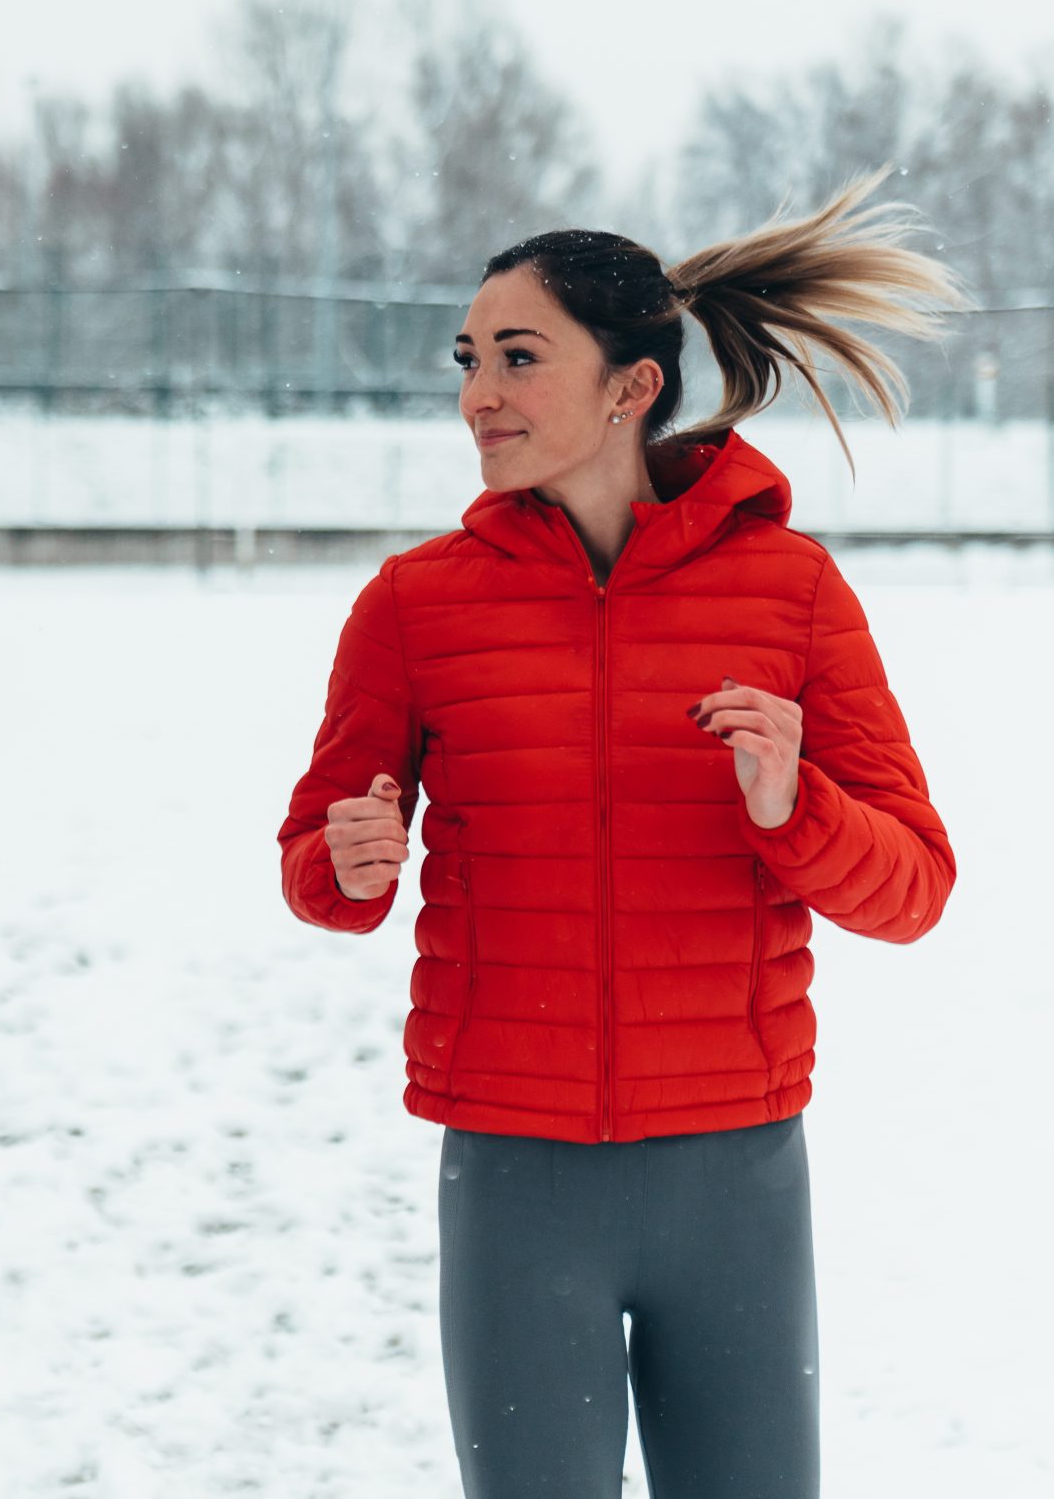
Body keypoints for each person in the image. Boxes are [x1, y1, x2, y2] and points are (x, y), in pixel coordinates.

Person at [276, 168, 961, 1497]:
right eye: (469, 358)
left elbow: (915, 883)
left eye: (519, 358)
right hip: (516, 1179)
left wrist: (792, 805)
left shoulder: (792, 590)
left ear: (631, 385)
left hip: (735, 1181)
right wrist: (345, 865)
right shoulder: (416, 605)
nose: (479, 392)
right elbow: (322, 855)